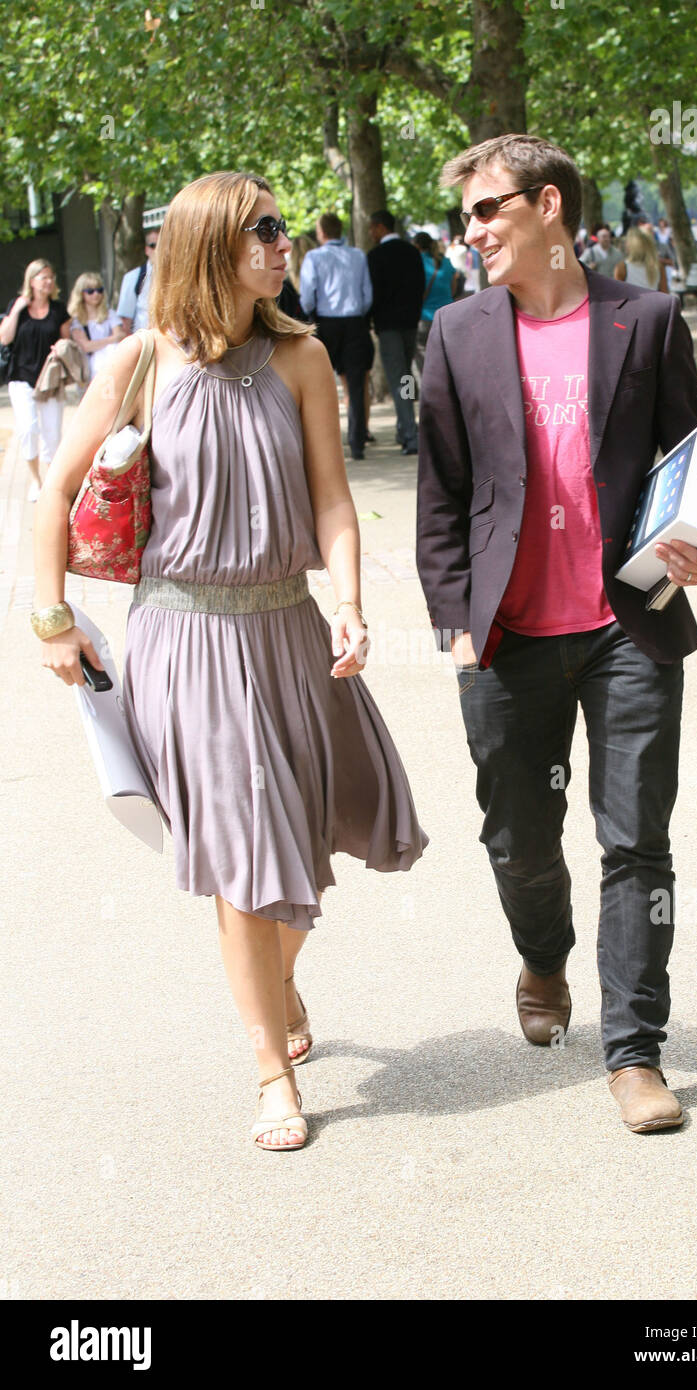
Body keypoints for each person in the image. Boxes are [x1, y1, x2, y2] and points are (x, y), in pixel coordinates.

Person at [32, 171, 427, 1153]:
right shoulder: (133, 364)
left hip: (288, 629)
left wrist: (351, 603)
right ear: (214, 245)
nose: (283, 241)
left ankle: (277, 980)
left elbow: (333, 499)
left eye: (283, 225)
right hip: (183, 639)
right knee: (244, 864)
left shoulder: (300, 359)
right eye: (264, 229)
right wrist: (50, 617)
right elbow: (53, 497)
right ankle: (270, 1072)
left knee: (305, 839)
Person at [417, 133, 697, 1135]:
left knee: (637, 842)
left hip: (626, 625)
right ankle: (545, 957)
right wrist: (453, 626)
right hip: (506, 636)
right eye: (465, 217)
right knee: (519, 840)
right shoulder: (457, 333)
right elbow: (443, 498)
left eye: (486, 211)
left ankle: (635, 1052)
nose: (471, 234)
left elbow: (696, 459)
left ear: (547, 206)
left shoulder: (643, 319)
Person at [299, 212, 373, 460]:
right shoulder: (358, 255)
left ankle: (323, 444)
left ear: (321, 232)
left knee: (317, 384)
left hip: (326, 322)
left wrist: (310, 314)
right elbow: (367, 296)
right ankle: (357, 442)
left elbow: (307, 294)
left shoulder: (314, 257)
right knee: (355, 383)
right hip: (354, 322)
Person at [1, 258, 71, 500]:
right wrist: (18, 309)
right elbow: (4, 338)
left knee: (52, 434)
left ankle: (52, 484)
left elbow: (66, 341)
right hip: (21, 378)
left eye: (51, 277)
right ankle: (35, 480)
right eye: (44, 277)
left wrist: (61, 347)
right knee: (28, 428)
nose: (49, 281)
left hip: (49, 380)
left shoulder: (59, 309)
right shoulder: (16, 306)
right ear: (31, 281)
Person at [367, 210, 426, 455]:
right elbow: (420, 285)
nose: (370, 233)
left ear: (380, 227)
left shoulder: (375, 256)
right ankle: (406, 427)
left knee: (399, 378)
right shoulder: (412, 252)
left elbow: (372, 292)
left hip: (389, 325)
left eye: (372, 228)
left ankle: (411, 433)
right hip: (410, 323)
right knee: (406, 377)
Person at [412, 232, 459, 374]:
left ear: (417, 246)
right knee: (450, 356)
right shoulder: (445, 262)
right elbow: (453, 287)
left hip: (425, 317)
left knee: (425, 357)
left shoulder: (416, 262)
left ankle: (430, 389)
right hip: (449, 316)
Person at [68, 272, 125, 381]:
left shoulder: (110, 313)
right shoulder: (76, 319)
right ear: (81, 294)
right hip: (87, 371)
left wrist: (96, 344)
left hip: (111, 368)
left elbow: (120, 336)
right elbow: (85, 346)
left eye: (99, 290)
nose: (96, 294)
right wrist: (111, 339)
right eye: (90, 291)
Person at [116, 227, 160, 335]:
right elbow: (125, 320)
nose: (158, 249)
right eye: (153, 246)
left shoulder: (178, 277)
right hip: (145, 343)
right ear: (147, 250)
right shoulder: (133, 277)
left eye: (162, 244)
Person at [614, 226, 668, 292]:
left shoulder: (622, 267)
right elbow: (665, 294)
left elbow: (618, 294)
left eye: (627, 241)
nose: (626, 244)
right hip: (655, 301)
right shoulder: (658, 266)